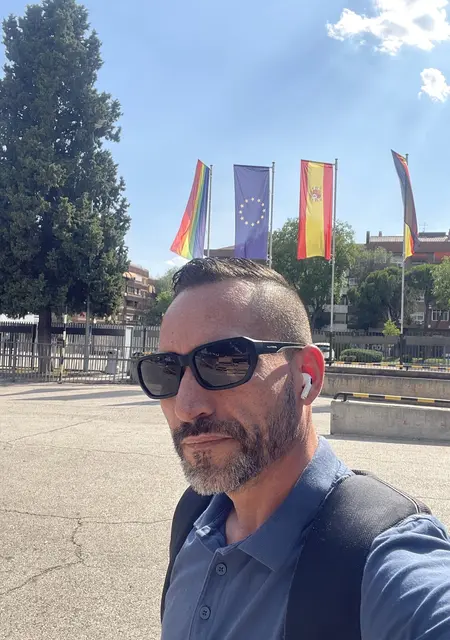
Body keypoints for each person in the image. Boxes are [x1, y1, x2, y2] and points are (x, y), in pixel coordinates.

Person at [137, 257, 450, 640]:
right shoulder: (194, 517)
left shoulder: (377, 555)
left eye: (224, 363)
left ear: (308, 376)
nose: (186, 407)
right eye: (166, 371)